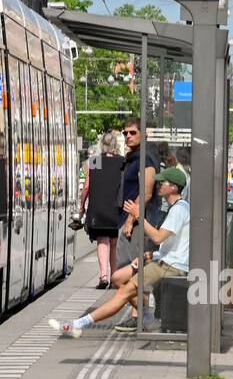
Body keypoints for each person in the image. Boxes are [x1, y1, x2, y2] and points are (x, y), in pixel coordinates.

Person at [51, 167, 189, 338]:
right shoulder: (176, 208)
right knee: (117, 278)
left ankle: (77, 324)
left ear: (174, 188)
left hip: (170, 266)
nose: (158, 185)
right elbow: (173, 244)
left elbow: (158, 238)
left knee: (123, 293)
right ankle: (147, 317)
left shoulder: (179, 210)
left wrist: (139, 216)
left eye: (163, 182)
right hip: (164, 261)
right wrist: (151, 255)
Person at [80, 133, 125, 288]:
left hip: (98, 206)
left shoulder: (96, 161)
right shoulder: (122, 162)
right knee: (113, 242)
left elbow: (86, 187)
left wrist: (81, 206)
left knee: (102, 239)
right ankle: (114, 277)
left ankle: (103, 275)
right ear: (115, 146)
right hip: (116, 208)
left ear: (102, 145)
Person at [116, 118, 160, 272]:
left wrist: (130, 220)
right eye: (125, 133)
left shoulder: (145, 157)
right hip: (128, 220)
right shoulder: (134, 156)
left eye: (133, 132)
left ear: (143, 135)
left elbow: (146, 192)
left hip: (136, 224)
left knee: (127, 272)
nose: (128, 136)